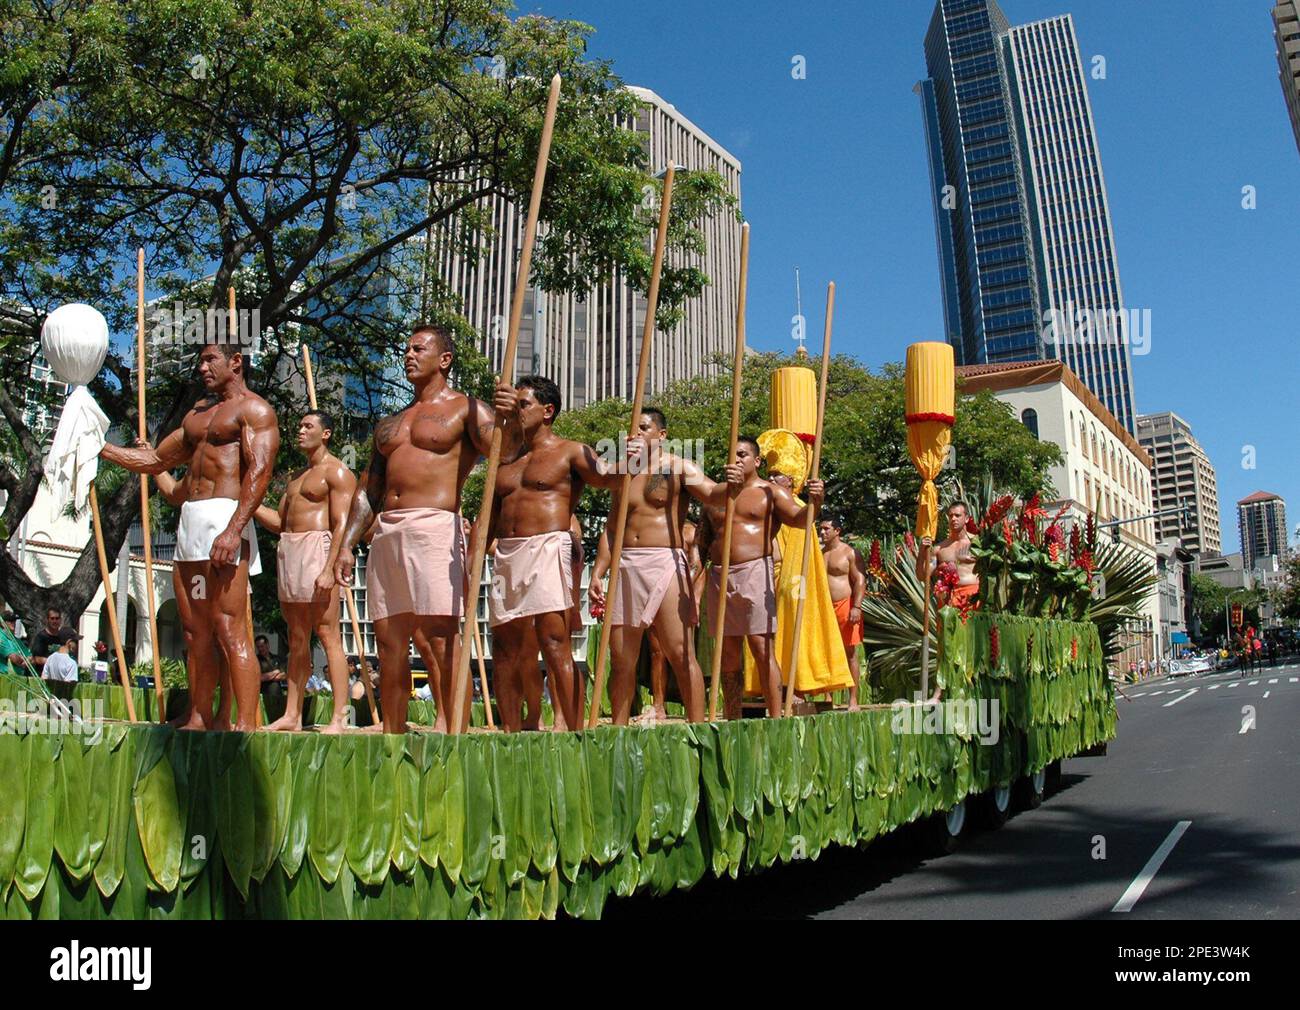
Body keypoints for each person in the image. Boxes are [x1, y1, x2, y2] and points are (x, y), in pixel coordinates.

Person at [334, 323, 518, 734]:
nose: (409, 355)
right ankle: (393, 736)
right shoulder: (390, 424)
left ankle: (454, 733)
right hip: (387, 531)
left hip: (436, 526)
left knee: (440, 638)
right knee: (390, 641)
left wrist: (512, 419)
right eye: (406, 349)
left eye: (419, 349)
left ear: (445, 359)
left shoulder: (467, 408)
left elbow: (506, 453)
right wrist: (345, 545)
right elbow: (368, 490)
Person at [101, 340, 279, 731]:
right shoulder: (197, 415)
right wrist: (102, 449)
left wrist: (234, 530)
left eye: (209, 360)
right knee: (194, 630)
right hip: (191, 523)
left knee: (230, 628)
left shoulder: (255, 409)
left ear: (235, 362)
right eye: (199, 361)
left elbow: (260, 474)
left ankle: (245, 724)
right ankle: (199, 715)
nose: (201, 368)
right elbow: (156, 461)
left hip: (225, 517)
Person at [487, 375, 625, 732]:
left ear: (547, 411)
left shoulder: (570, 451)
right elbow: (487, 519)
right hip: (506, 554)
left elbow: (607, 478)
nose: (516, 411)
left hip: (548, 546)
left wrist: (633, 460)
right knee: (505, 648)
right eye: (513, 404)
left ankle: (576, 734)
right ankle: (510, 735)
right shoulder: (504, 461)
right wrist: (472, 563)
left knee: (553, 640)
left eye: (524, 404)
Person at [586, 409, 733, 726]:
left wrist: (734, 482)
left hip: (664, 560)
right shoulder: (622, 474)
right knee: (623, 660)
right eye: (632, 429)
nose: (635, 433)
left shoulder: (678, 467)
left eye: (644, 428)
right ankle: (619, 732)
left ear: (662, 435)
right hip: (626, 564)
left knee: (680, 654)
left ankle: (697, 730)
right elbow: (612, 529)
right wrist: (598, 572)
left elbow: (713, 493)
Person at [698, 436, 824, 720]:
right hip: (719, 573)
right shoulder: (715, 495)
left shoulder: (771, 492)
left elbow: (800, 519)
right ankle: (732, 716)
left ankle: (776, 715)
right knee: (727, 650)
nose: (737, 459)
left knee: (760, 644)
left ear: (756, 461)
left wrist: (816, 502)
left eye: (743, 454)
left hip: (755, 570)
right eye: (733, 454)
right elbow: (702, 543)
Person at [253, 410, 357, 733]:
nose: (300, 430)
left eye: (308, 426)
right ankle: (291, 715)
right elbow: (279, 522)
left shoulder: (338, 472)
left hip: (320, 549)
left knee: (327, 634)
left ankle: (340, 716)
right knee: (297, 638)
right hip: (291, 549)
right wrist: (249, 503)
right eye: (299, 425)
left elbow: (342, 523)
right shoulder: (295, 477)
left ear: (325, 434)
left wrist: (330, 568)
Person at [820, 513, 866, 711]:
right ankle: (827, 697)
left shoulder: (849, 552)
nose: (822, 532)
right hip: (823, 607)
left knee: (850, 652)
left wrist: (856, 606)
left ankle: (853, 699)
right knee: (824, 652)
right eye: (820, 529)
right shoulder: (818, 553)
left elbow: (860, 581)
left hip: (845, 605)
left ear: (837, 531)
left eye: (826, 529)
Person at [917, 501, 979, 608]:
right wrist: (921, 552)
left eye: (957, 515)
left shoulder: (977, 543)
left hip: (972, 597)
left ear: (967, 518)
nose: (953, 519)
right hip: (948, 601)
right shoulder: (939, 549)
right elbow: (923, 576)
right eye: (951, 516)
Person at [42, 626, 82, 701]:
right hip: (64, 705)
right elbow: (68, 688)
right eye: (75, 642)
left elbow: (44, 679)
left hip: (51, 702)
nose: (77, 645)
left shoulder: (50, 658)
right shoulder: (71, 663)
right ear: (69, 642)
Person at [27, 606, 68, 675]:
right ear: (47, 620)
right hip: (43, 676)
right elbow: (36, 658)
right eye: (52, 618)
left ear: (60, 620)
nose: (54, 621)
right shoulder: (41, 637)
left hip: (60, 677)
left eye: (57, 618)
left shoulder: (63, 637)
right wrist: (53, 662)